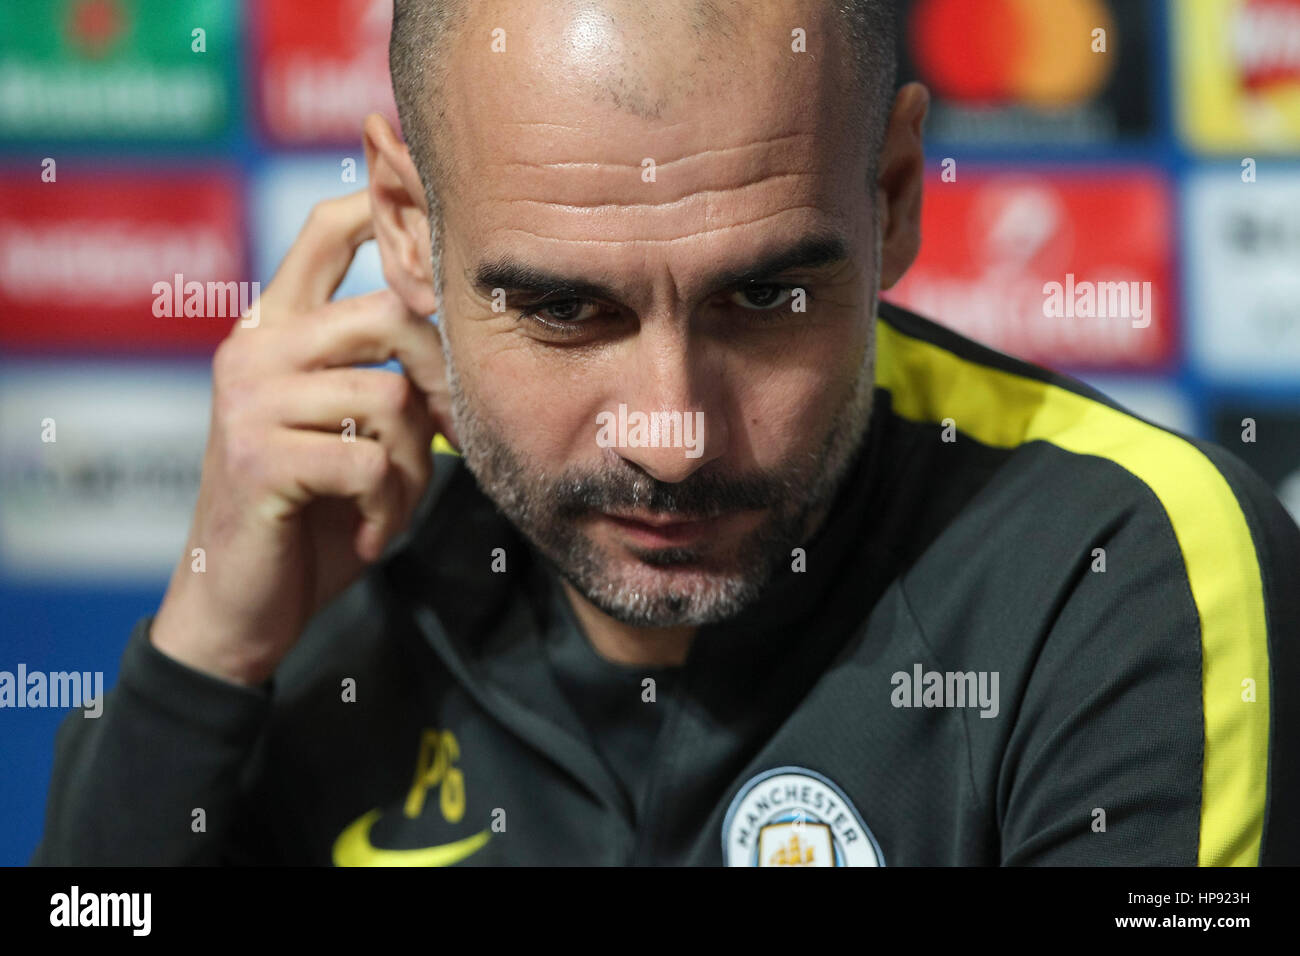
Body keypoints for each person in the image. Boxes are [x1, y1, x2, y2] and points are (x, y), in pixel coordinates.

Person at [34, 0, 1300, 866]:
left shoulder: (1118, 567)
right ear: (411, 226)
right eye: (564, 309)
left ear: (895, 196)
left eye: (763, 300)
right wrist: (199, 662)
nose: (672, 436)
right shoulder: (341, 545)